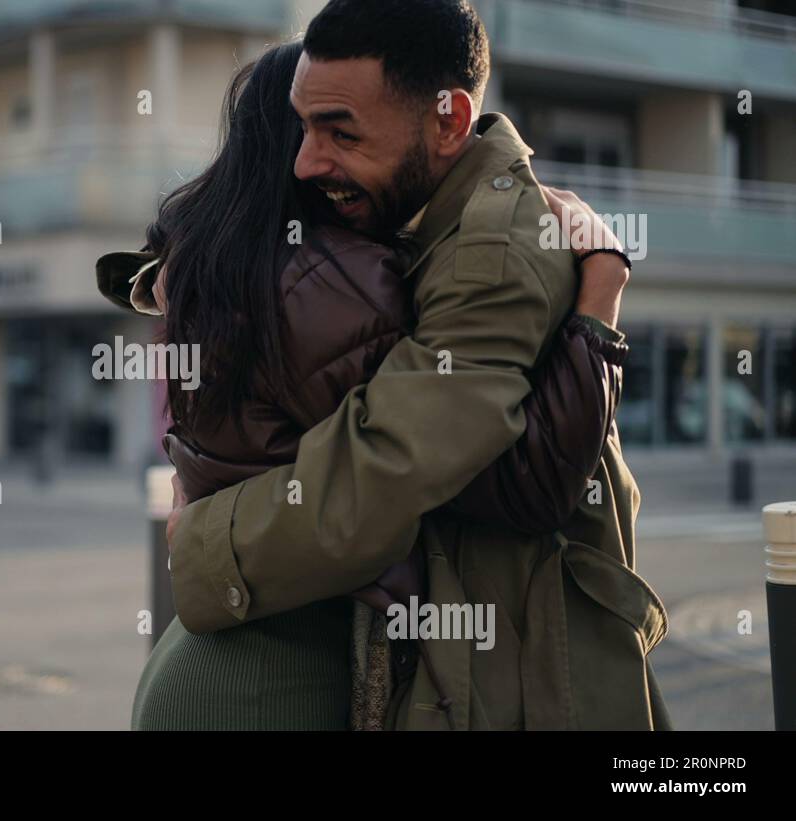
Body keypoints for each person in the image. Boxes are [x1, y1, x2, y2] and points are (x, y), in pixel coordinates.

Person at [99, 0, 668, 730]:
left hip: (236, 670)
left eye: (340, 130)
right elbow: (440, 471)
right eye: (303, 128)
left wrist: (203, 534)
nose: (308, 160)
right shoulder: (372, 268)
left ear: (449, 121)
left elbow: (403, 466)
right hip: (273, 681)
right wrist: (599, 303)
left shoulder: (473, 252)